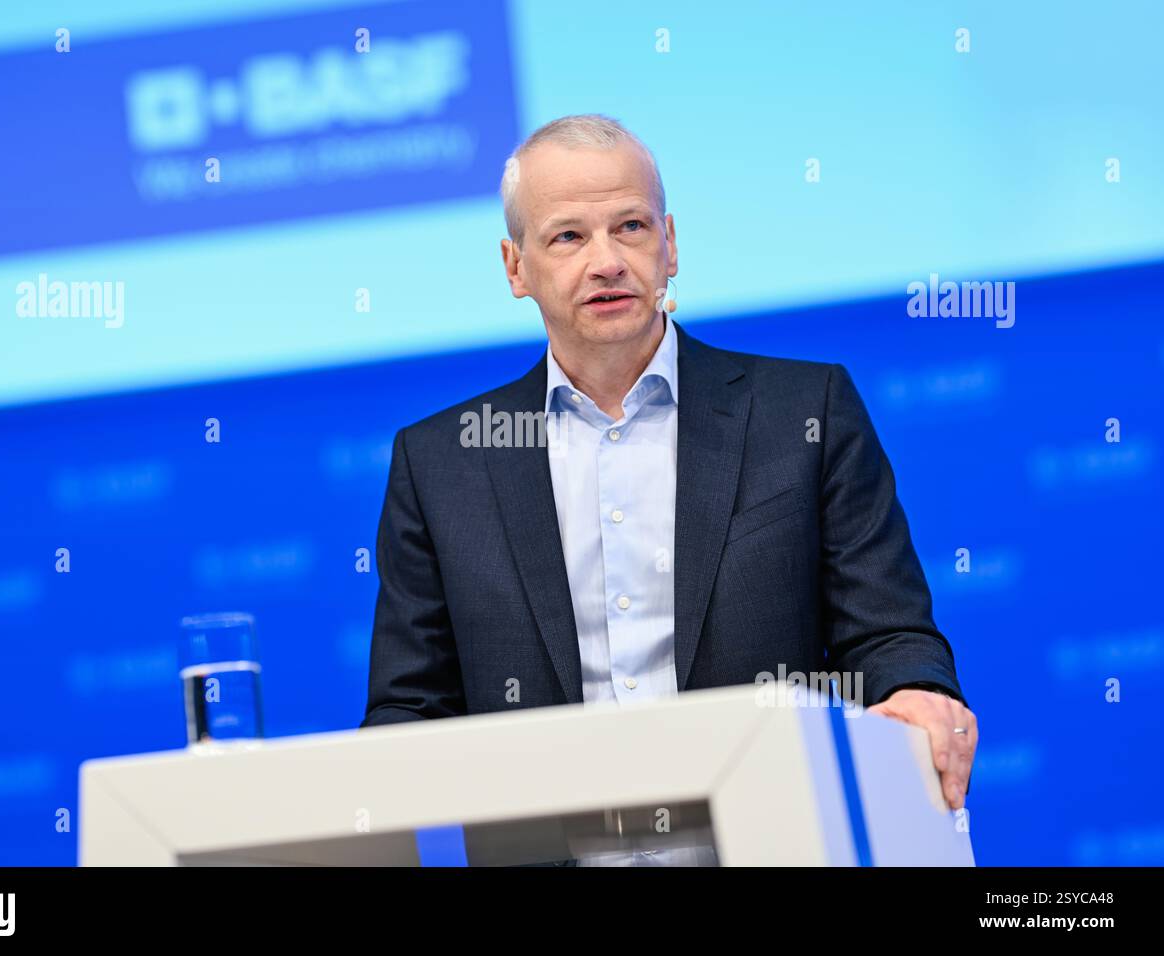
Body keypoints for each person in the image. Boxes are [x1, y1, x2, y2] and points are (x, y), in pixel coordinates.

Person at [361, 114, 976, 866]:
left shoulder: (804, 413)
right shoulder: (441, 463)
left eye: (631, 226)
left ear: (671, 244)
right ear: (515, 268)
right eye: (568, 237)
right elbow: (410, 708)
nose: (607, 262)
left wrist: (914, 690)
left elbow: (886, 635)